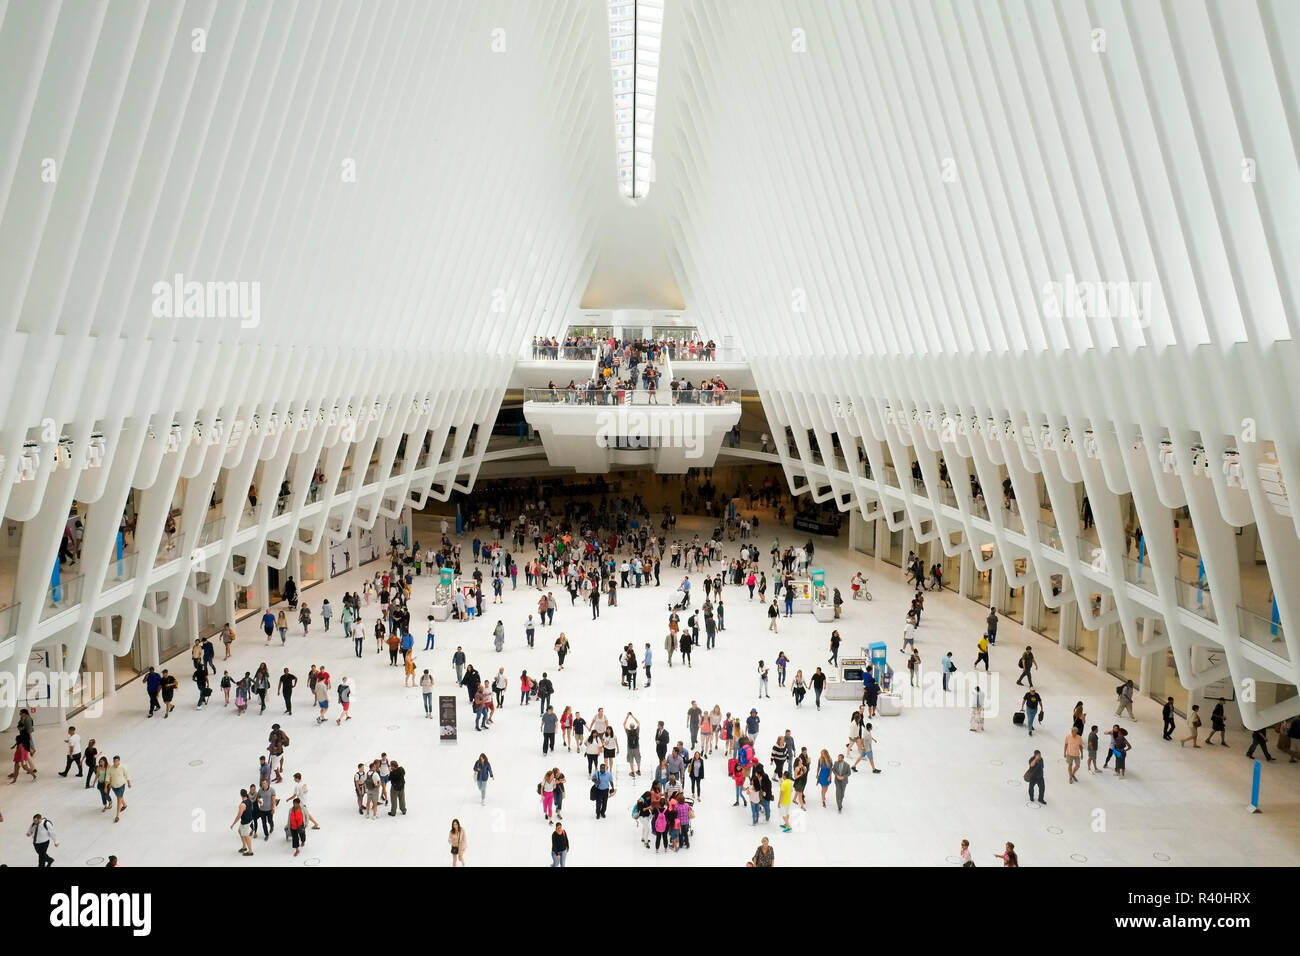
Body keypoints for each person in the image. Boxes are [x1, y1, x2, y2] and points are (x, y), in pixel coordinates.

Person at [108, 755, 131, 822]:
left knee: (118, 799)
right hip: (114, 786)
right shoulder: (111, 768)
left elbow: (127, 775)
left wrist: (129, 782)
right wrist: (108, 783)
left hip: (121, 785)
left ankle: (117, 816)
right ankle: (124, 804)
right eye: (114, 761)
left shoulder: (123, 767)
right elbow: (108, 776)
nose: (115, 762)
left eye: (116, 761)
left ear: (119, 761)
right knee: (119, 796)